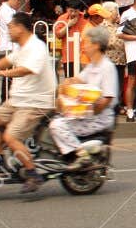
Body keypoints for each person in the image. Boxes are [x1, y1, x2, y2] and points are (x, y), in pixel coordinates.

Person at [0, 13, 56, 192]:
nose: (8, 31)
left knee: (10, 137)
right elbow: (8, 60)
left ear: (21, 28)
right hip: (18, 100)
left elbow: (27, 70)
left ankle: (32, 173)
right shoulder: (21, 47)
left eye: (11, 27)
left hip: (35, 102)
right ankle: (0, 162)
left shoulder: (37, 47)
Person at [49, 26, 119, 165]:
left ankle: (81, 155)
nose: (83, 46)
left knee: (56, 125)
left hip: (99, 117)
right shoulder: (92, 66)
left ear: (96, 45)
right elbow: (78, 80)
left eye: (86, 43)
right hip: (89, 114)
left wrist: (84, 111)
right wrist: (65, 84)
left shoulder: (107, 67)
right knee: (55, 117)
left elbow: (107, 99)